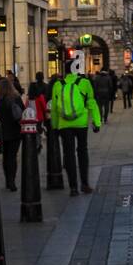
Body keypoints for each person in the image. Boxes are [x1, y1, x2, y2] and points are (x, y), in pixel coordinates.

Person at [50, 63, 101, 195]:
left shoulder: (57, 85)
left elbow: (54, 108)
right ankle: (84, 184)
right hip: (81, 123)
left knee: (69, 154)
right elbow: (91, 103)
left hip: (64, 123)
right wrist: (97, 122)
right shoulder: (84, 82)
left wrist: (54, 126)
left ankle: (73, 187)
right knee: (82, 151)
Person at [0, 76, 24, 191]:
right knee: (12, 157)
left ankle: (8, 180)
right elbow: (23, 111)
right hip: (15, 132)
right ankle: (12, 181)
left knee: (6, 157)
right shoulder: (16, 98)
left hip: (2, 133)